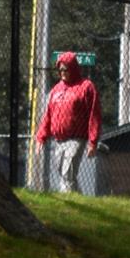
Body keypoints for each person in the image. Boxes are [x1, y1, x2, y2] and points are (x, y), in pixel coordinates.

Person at [34, 52, 100, 193]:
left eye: (66, 69)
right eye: (60, 69)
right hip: (59, 140)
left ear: (73, 68)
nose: (62, 72)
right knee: (63, 172)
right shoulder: (56, 89)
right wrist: (41, 136)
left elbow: (94, 115)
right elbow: (48, 115)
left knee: (67, 173)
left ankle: (67, 200)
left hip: (76, 138)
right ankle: (79, 200)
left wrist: (92, 141)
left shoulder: (86, 87)